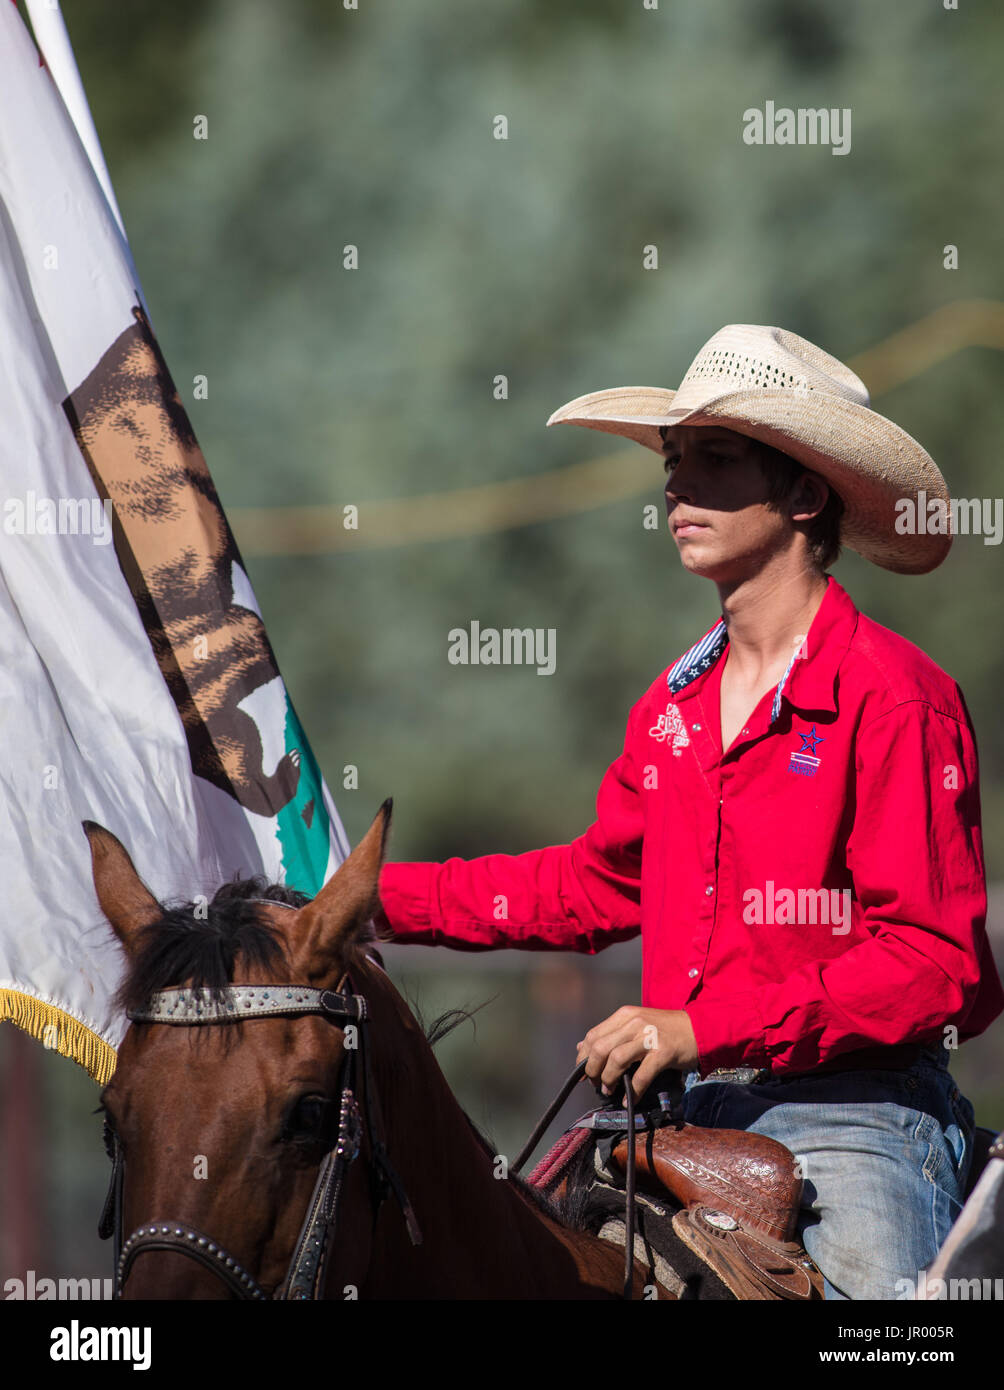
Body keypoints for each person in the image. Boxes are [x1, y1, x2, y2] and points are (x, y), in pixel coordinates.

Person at [373, 323, 1004, 1300]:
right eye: (672, 464)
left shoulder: (891, 696)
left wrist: (701, 1023)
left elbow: (934, 960)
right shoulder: (668, 709)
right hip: (681, 1114)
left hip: (858, 1117)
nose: (676, 489)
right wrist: (371, 896)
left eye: (714, 460)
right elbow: (590, 886)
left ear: (802, 493)